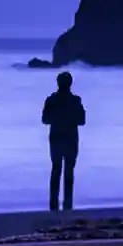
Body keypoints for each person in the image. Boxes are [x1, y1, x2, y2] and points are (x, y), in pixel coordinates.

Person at [41, 71, 86, 211]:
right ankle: (68, 203)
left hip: (56, 137)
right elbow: (82, 120)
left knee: (56, 170)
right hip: (70, 138)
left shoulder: (51, 100)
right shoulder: (75, 100)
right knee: (68, 171)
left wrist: (58, 119)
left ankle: (53, 204)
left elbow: (45, 119)